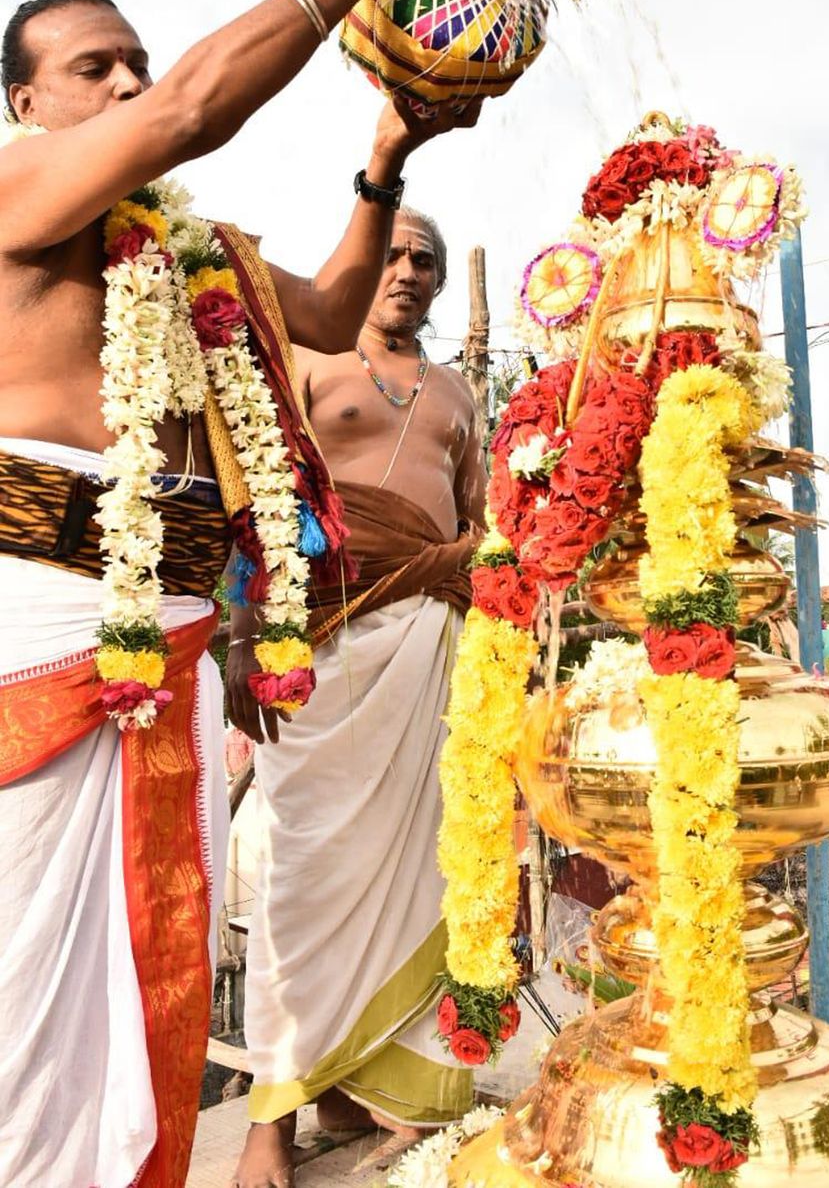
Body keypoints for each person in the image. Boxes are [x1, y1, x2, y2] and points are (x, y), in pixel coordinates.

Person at [0, 0, 543, 1188]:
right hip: (47, 632)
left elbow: (328, 305)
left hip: (181, 636)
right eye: (96, 65)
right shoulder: (19, 194)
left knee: (148, 976)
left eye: (138, 56)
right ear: (26, 106)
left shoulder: (179, 251)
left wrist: (386, 155)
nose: (132, 80)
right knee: (26, 989)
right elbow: (197, 104)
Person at [227, 208, 487, 1188]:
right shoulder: (305, 360)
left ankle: (353, 1077)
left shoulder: (459, 393)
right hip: (320, 638)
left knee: (416, 874)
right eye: (394, 252)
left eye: (427, 257)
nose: (410, 268)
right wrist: (241, 633)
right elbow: (256, 494)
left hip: (426, 642)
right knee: (302, 877)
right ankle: (273, 1118)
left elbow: (478, 519)